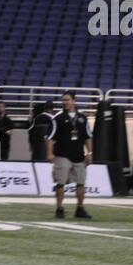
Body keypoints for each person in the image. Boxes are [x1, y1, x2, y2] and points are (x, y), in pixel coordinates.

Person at [47, 90, 93, 219]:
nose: (65, 102)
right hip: (62, 155)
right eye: (63, 100)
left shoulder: (82, 118)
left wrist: (89, 153)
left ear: (73, 101)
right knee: (61, 183)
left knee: (81, 183)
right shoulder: (58, 118)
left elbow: (88, 137)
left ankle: (80, 208)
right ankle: (59, 208)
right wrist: (50, 153)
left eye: (67, 100)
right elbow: (50, 137)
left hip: (78, 155)